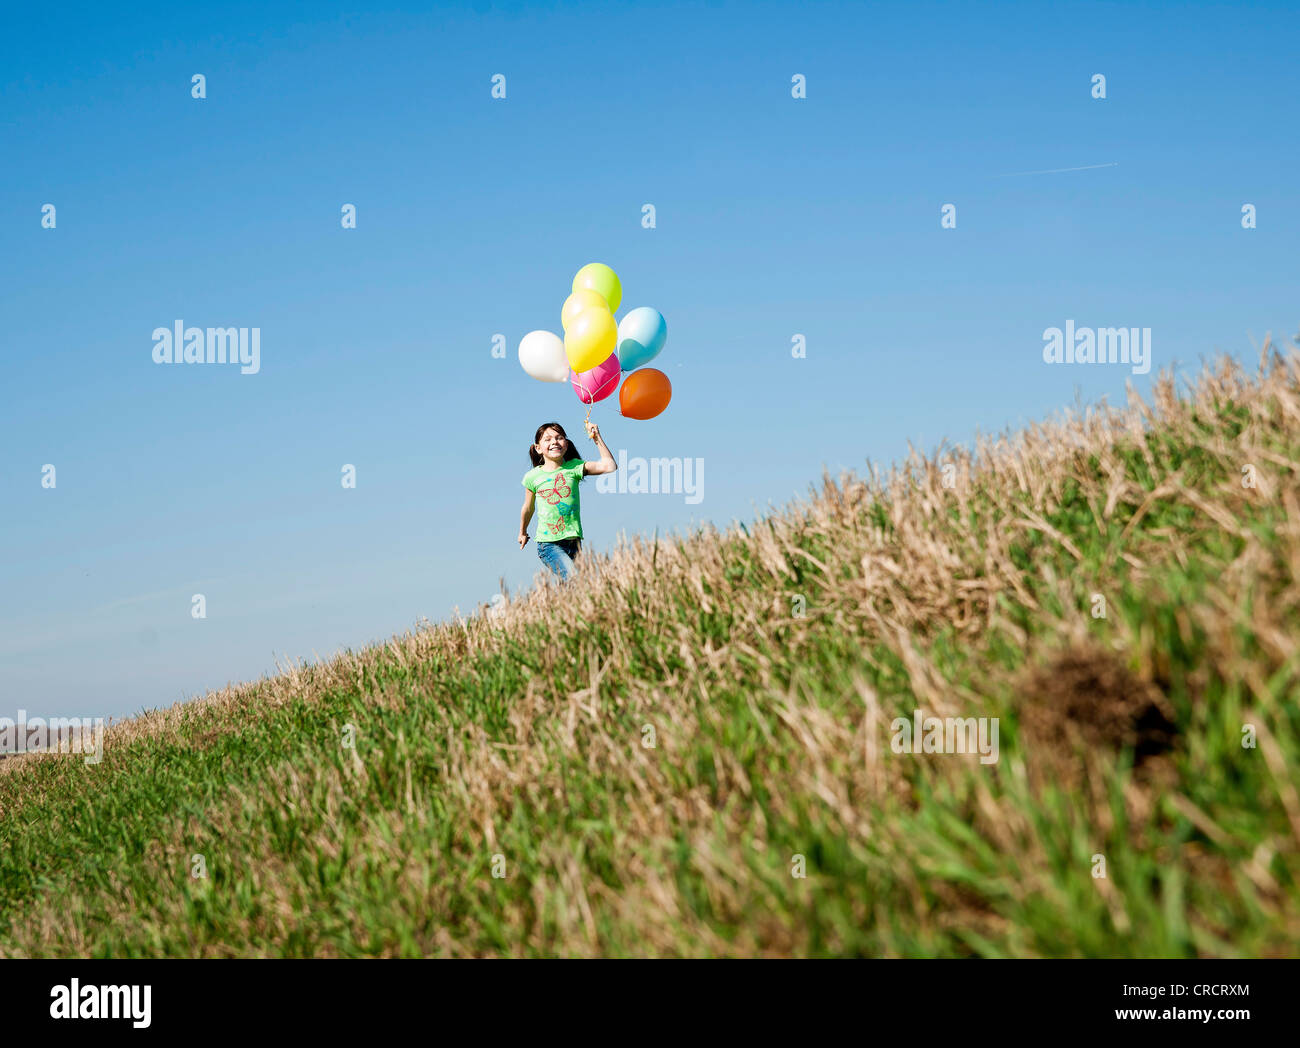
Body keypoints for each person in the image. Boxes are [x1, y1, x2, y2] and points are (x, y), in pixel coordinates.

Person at [518, 420, 617, 580]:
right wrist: (523, 532)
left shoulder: (575, 467)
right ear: (538, 448)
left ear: (566, 443)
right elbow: (528, 508)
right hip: (549, 544)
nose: (554, 442)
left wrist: (596, 437)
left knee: (577, 586)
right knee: (574, 578)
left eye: (559, 438)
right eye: (548, 439)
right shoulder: (533, 476)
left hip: (574, 542)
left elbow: (609, 466)